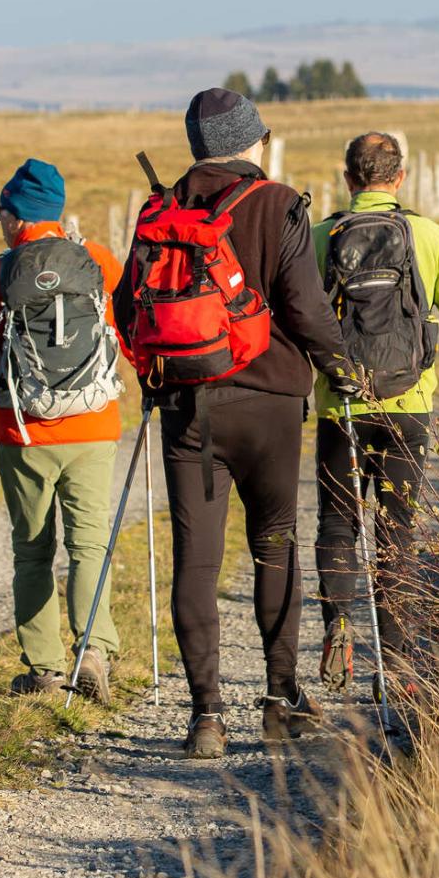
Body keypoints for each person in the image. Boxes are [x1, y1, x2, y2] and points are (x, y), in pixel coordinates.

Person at [119, 87, 355, 759]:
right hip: (271, 405)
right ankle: (280, 700)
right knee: (274, 545)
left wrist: (152, 372)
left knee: (197, 559)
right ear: (254, 141)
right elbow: (306, 309)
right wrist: (345, 371)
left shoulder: (159, 210)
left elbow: (127, 304)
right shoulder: (279, 204)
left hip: (187, 407)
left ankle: (206, 716)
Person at [0, 158, 127, 703]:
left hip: (24, 432)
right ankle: (94, 650)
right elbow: (124, 329)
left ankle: (44, 670)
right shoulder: (98, 261)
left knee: (33, 550)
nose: (0, 221)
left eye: (3, 212)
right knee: (90, 545)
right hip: (93, 425)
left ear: (18, 218)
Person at [312, 131, 439, 695]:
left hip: (340, 403)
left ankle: (338, 626)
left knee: (338, 523)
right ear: (400, 177)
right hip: (407, 404)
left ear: (348, 180)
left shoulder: (321, 238)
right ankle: (399, 659)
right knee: (397, 530)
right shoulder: (427, 237)